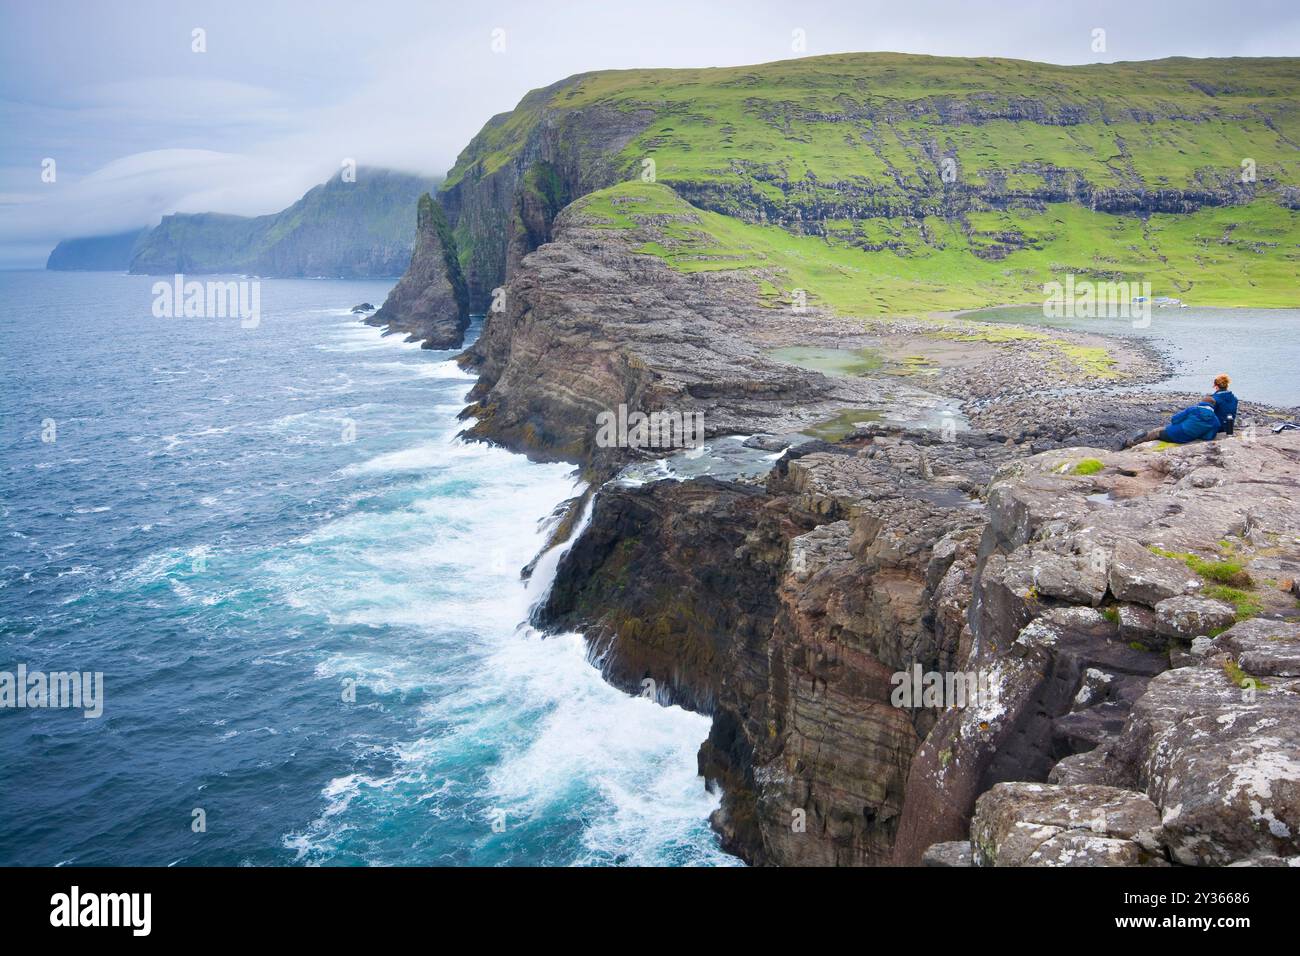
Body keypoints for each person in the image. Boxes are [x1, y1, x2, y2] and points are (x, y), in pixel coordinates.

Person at [1121, 395, 1220, 449]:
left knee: (1156, 432)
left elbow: (1174, 419)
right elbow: (1208, 437)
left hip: (1173, 434)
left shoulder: (1193, 409)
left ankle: (1130, 443)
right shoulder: (1215, 421)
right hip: (1188, 438)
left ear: (1202, 402)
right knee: (1162, 430)